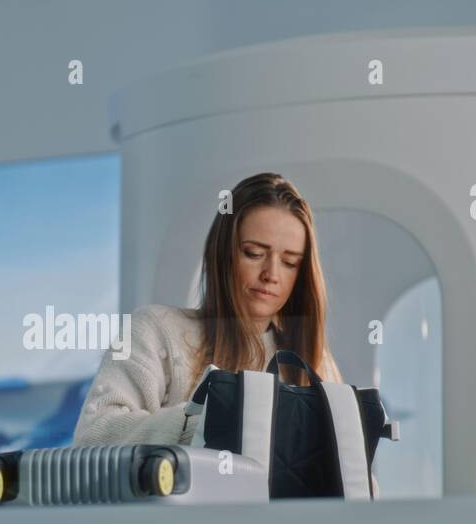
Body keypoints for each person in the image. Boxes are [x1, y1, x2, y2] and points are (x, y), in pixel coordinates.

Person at [74, 172, 341, 446]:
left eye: (289, 262)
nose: (271, 274)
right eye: (254, 253)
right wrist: (209, 422)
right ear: (223, 253)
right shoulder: (155, 329)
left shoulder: (313, 359)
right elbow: (93, 437)